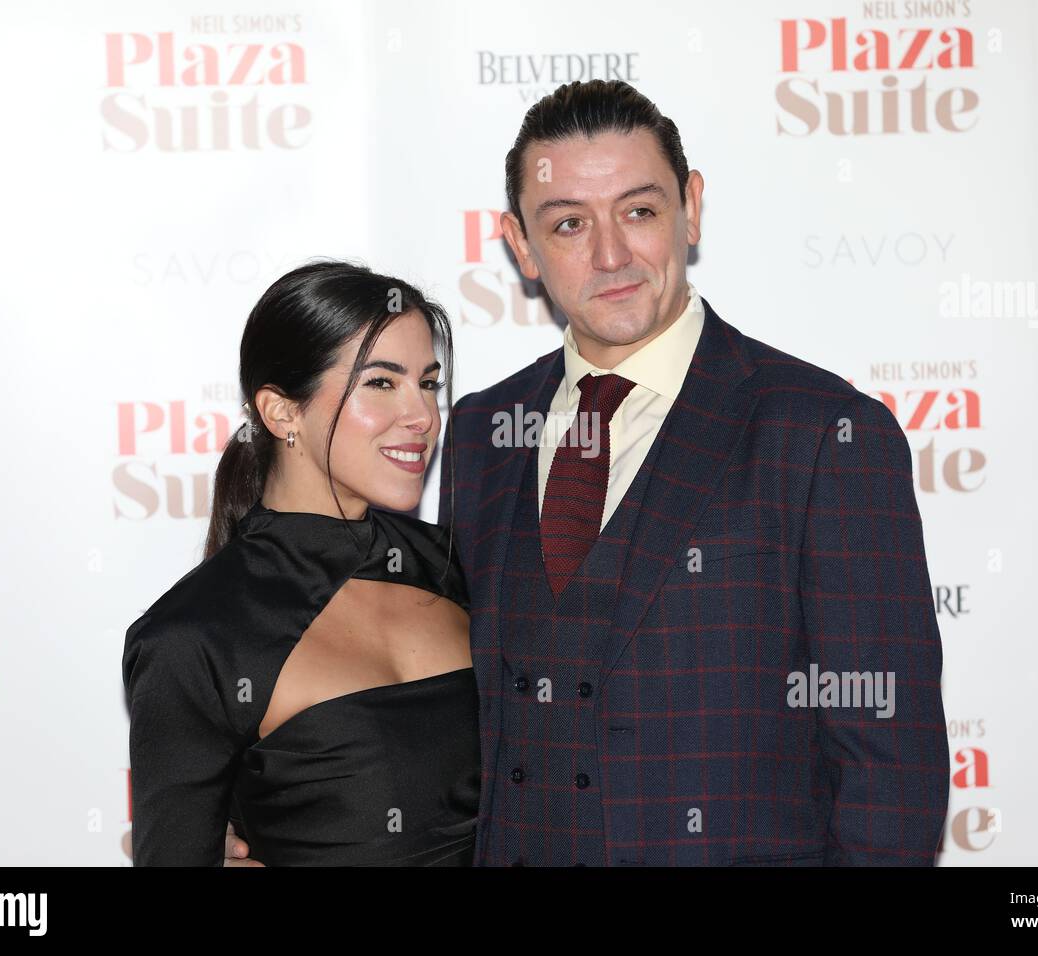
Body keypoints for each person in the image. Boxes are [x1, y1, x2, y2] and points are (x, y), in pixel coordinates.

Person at [228, 79, 951, 868]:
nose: (611, 256)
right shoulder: (483, 433)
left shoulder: (821, 433)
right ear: (521, 244)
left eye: (638, 211)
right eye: (569, 223)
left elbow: (889, 768)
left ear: (691, 208)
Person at [123, 259, 479, 866]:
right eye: (381, 383)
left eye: (428, 383)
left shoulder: (459, 565)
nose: (423, 416)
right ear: (281, 411)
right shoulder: (193, 637)